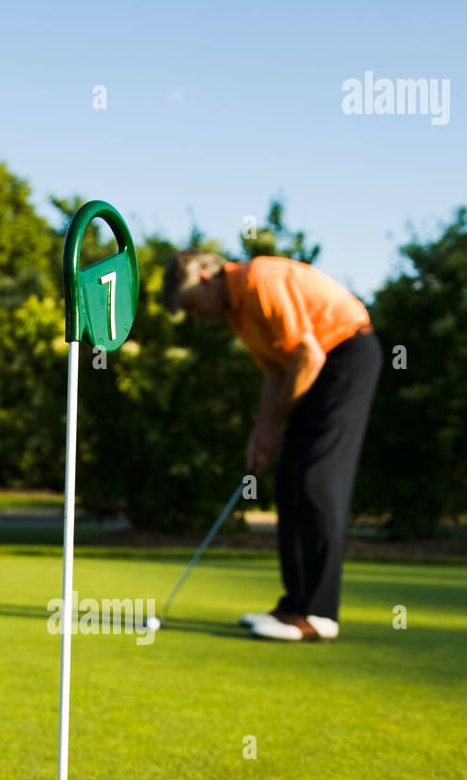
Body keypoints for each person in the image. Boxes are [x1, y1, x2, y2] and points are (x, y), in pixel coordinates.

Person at [162, 251, 382, 641]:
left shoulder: (259, 280)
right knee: (289, 481)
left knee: (316, 480)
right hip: (313, 365)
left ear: (207, 280)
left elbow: (307, 356)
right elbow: (275, 371)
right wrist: (262, 432)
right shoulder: (237, 313)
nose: (196, 316)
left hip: (347, 355)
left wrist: (276, 422)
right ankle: (294, 605)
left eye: (193, 305)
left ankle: (318, 614)